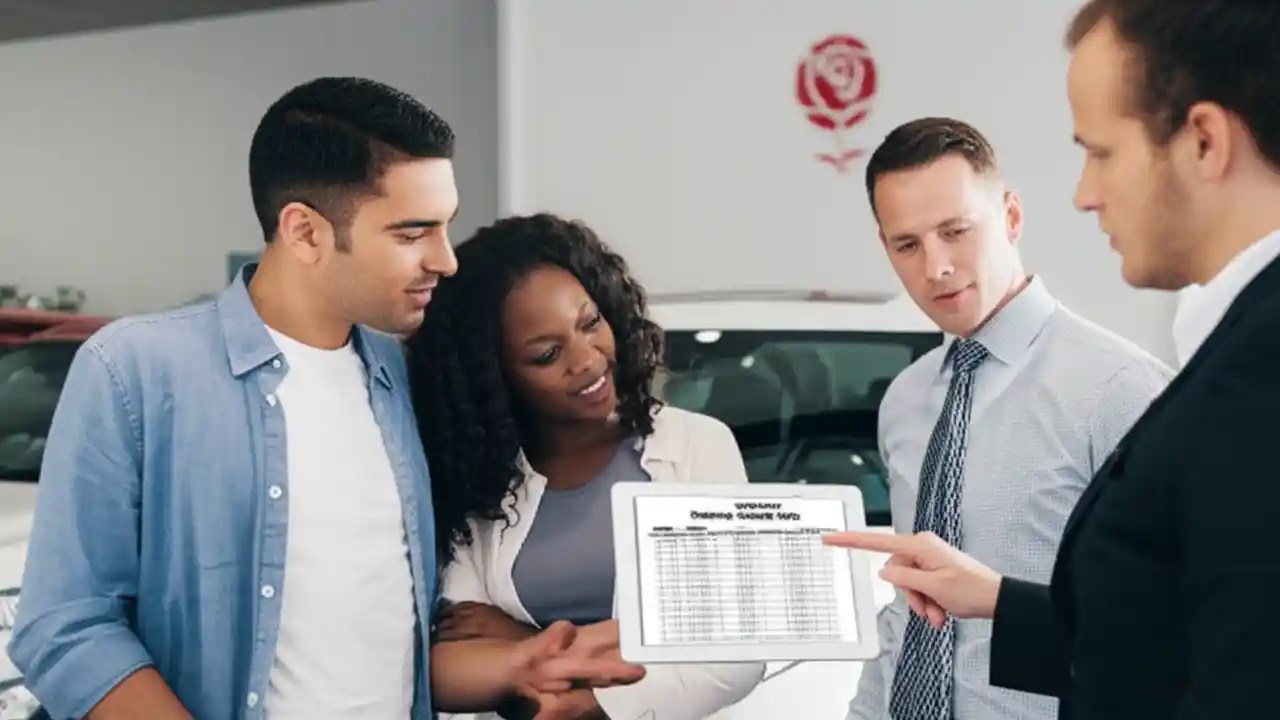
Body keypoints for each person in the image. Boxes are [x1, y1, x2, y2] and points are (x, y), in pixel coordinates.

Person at [7, 78, 641, 720]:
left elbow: (383, 636)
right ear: (305, 232)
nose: (445, 260)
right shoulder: (136, 370)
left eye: (445, 226)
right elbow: (67, 628)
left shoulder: (406, 377)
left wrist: (518, 666)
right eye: (411, 233)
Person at [825, 1, 1280, 717]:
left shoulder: (1135, 386)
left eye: (1100, 152)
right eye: (908, 244)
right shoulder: (907, 399)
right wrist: (994, 602)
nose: (1085, 193)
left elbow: (1193, 648)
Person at [844, 117, 1172, 720]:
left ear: (1012, 217)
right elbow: (906, 608)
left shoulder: (1119, 389)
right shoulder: (906, 400)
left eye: (956, 231)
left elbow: (1171, 615)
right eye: (907, 244)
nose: (936, 266)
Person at [405, 213, 765, 719]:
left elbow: (736, 656)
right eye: (548, 354)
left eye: (590, 323)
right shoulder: (477, 478)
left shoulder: (697, 448)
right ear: (495, 377)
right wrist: (643, 647)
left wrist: (536, 655)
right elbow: (459, 643)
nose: (587, 360)